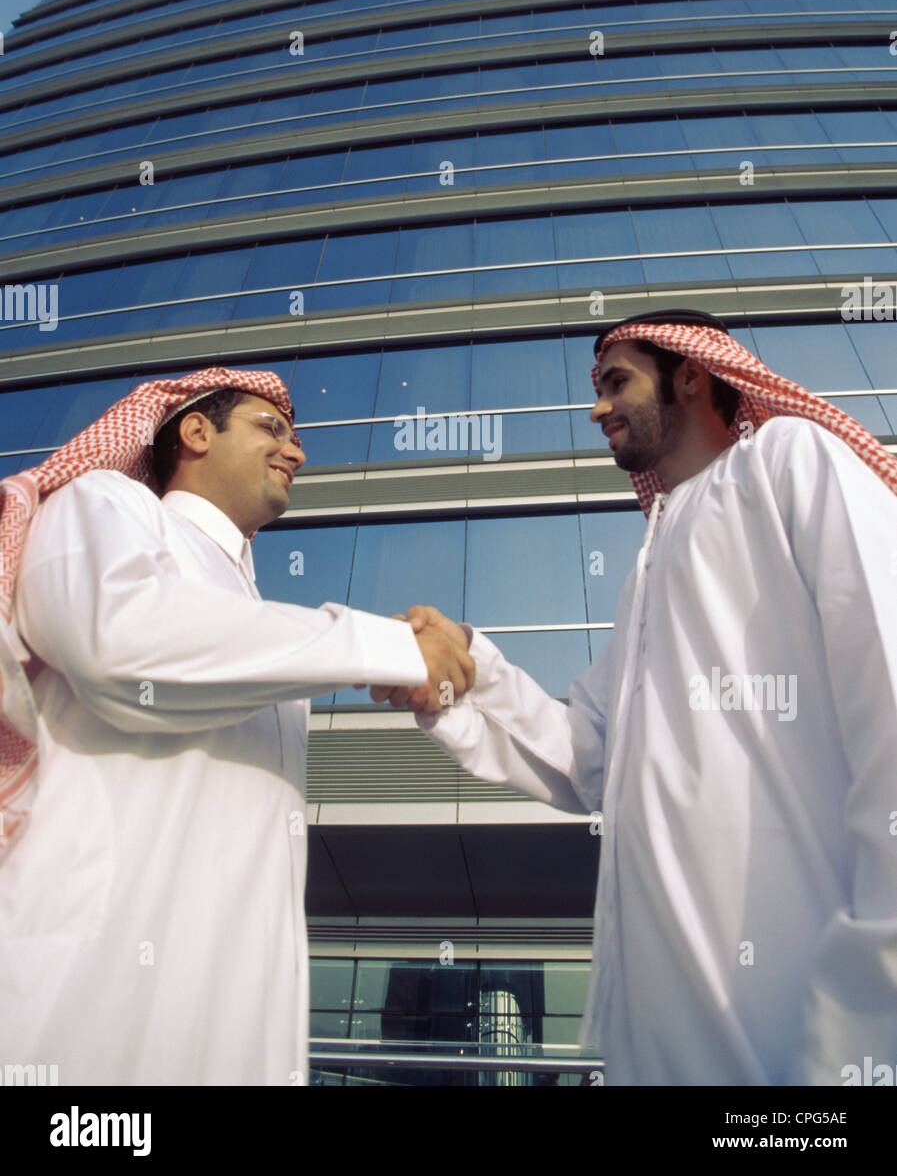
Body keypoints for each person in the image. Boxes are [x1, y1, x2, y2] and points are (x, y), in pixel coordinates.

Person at [374, 310, 897, 1085]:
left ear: (690, 374)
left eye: (615, 381)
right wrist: (466, 672)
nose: (596, 409)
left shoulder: (787, 462)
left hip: (807, 1043)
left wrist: (863, 1033)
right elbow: (589, 756)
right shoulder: (648, 565)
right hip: (663, 1039)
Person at [0, 365, 473, 1085]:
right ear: (194, 430)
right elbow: (118, 641)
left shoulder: (253, 615)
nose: (297, 453)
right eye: (271, 428)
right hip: (84, 999)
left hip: (227, 1021)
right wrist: (384, 646)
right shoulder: (104, 504)